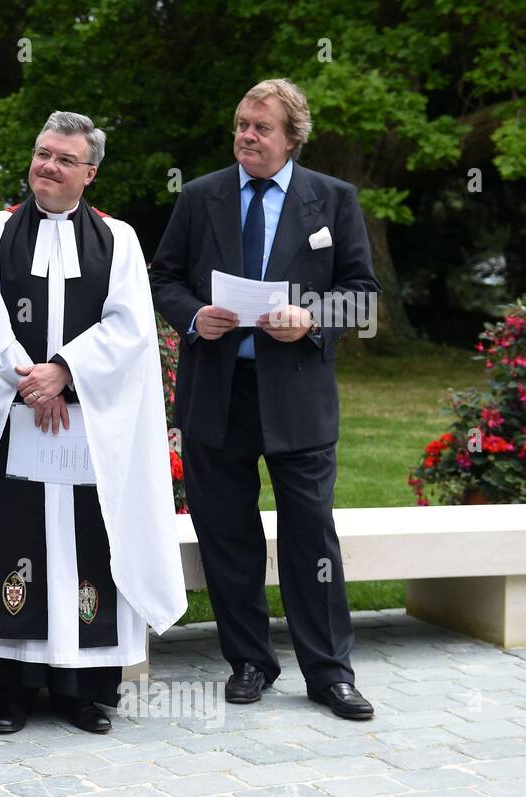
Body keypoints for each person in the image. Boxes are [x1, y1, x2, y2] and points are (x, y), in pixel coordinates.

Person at [0, 111, 187, 736]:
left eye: (63, 159)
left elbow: (132, 327)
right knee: (10, 541)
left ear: (89, 173)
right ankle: (10, 690)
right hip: (7, 424)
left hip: (85, 431)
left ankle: (82, 690)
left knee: (85, 545)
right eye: (41, 154)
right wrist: (28, 382)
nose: (48, 167)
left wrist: (63, 370)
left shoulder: (121, 242)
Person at [149, 78, 381, 720]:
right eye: (241, 124)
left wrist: (310, 317)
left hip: (298, 398)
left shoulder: (333, 200)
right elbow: (163, 277)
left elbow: (363, 293)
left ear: (292, 138)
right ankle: (249, 660)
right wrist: (196, 316)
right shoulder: (200, 197)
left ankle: (331, 673)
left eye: (261, 128)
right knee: (227, 535)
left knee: (312, 537)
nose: (247, 136)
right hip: (216, 396)